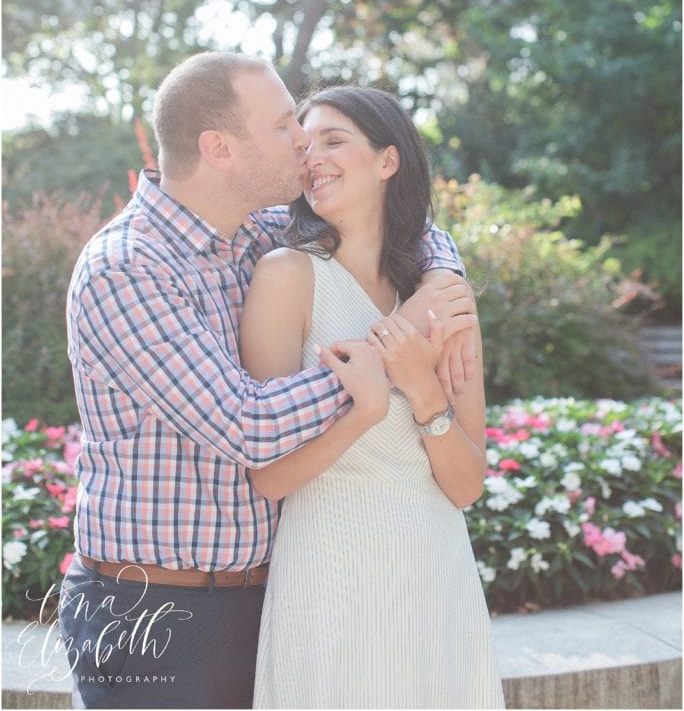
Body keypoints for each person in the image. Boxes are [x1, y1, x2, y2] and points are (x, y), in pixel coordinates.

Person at [58, 51, 472, 710]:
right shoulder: (127, 267)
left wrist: (442, 274)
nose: (303, 139)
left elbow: (396, 221)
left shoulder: (254, 232)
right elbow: (246, 424)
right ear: (219, 148)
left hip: (274, 595)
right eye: (284, 126)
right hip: (159, 611)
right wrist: (390, 348)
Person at [240, 85, 505, 709]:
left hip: (436, 572)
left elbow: (466, 486)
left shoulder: (441, 296)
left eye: (335, 140)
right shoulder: (285, 277)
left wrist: (423, 391)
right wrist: (366, 409)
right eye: (306, 145)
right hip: (330, 571)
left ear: (388, 161)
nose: (313, 158)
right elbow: (269, 477)